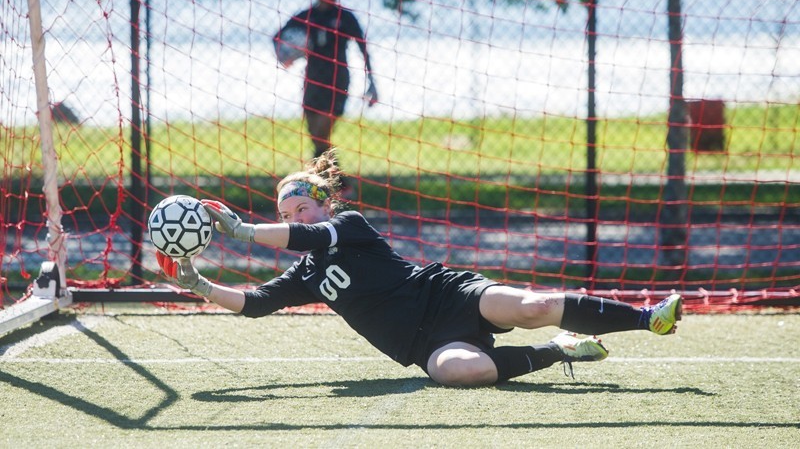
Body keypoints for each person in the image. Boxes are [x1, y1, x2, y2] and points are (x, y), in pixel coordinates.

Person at [156, 150, 683, 387]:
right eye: (285, 214)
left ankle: (647, 317)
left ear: (325, 206)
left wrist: (242, 232)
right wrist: (197, 281)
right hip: (425, 344)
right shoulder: (305, 275)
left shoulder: (350, 225)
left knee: (534, 306)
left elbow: (308, 236)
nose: (296, 219)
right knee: (461, 372)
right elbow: (254, 305)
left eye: (303, 208)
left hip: (448, 294)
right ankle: (559, 349)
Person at [274, 0, 378, 159]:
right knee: (315, 136)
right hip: (312, 79)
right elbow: (277, 37)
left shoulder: (345, 18)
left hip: (337, 81)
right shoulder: (307, 16)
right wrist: (286, 55)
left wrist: (372, 83)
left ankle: (333, 183)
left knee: (322, 133)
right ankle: (334, 182)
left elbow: (363, 49)